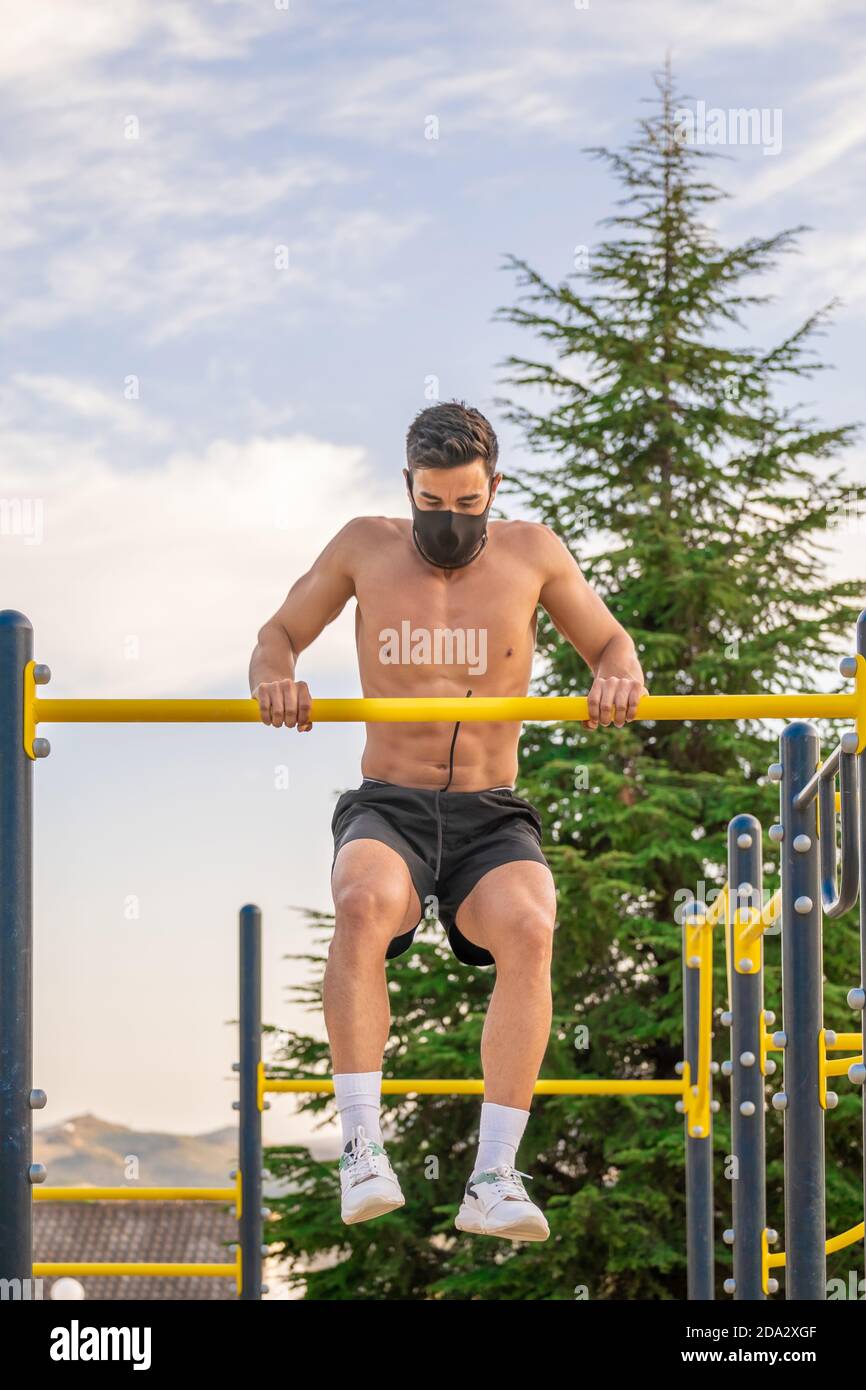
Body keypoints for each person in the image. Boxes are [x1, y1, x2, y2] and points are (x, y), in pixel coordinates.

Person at [249, 401, 645, 1241]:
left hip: (490, 815)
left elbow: (613, 648)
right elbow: (278, 633)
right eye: (434, 504)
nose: (451, 522)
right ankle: (362, 1149)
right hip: (389, 804)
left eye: (469, 506)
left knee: (533, 925)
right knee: (360, 903)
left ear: (493, 490)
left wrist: (616, 676)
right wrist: (276, 674)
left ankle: (494, 1178)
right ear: (409, 488)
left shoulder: (535, 553)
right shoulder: (363, 543)